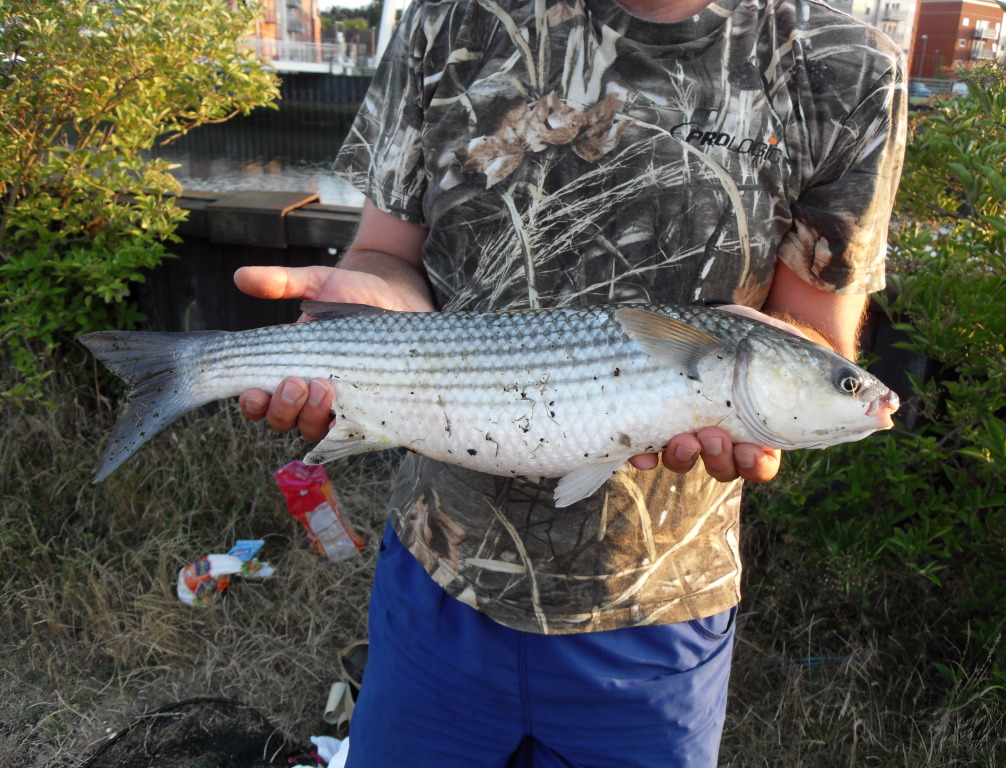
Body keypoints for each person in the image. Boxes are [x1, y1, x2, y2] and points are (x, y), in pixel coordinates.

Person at [235, 0, 907, 764]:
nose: (876, 400)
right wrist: (360, 320)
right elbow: (387, 256)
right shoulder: (453, 18)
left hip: (657, 615)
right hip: (436, 581)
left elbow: (816, 333)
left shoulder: (846, 65)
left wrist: (801, 381)